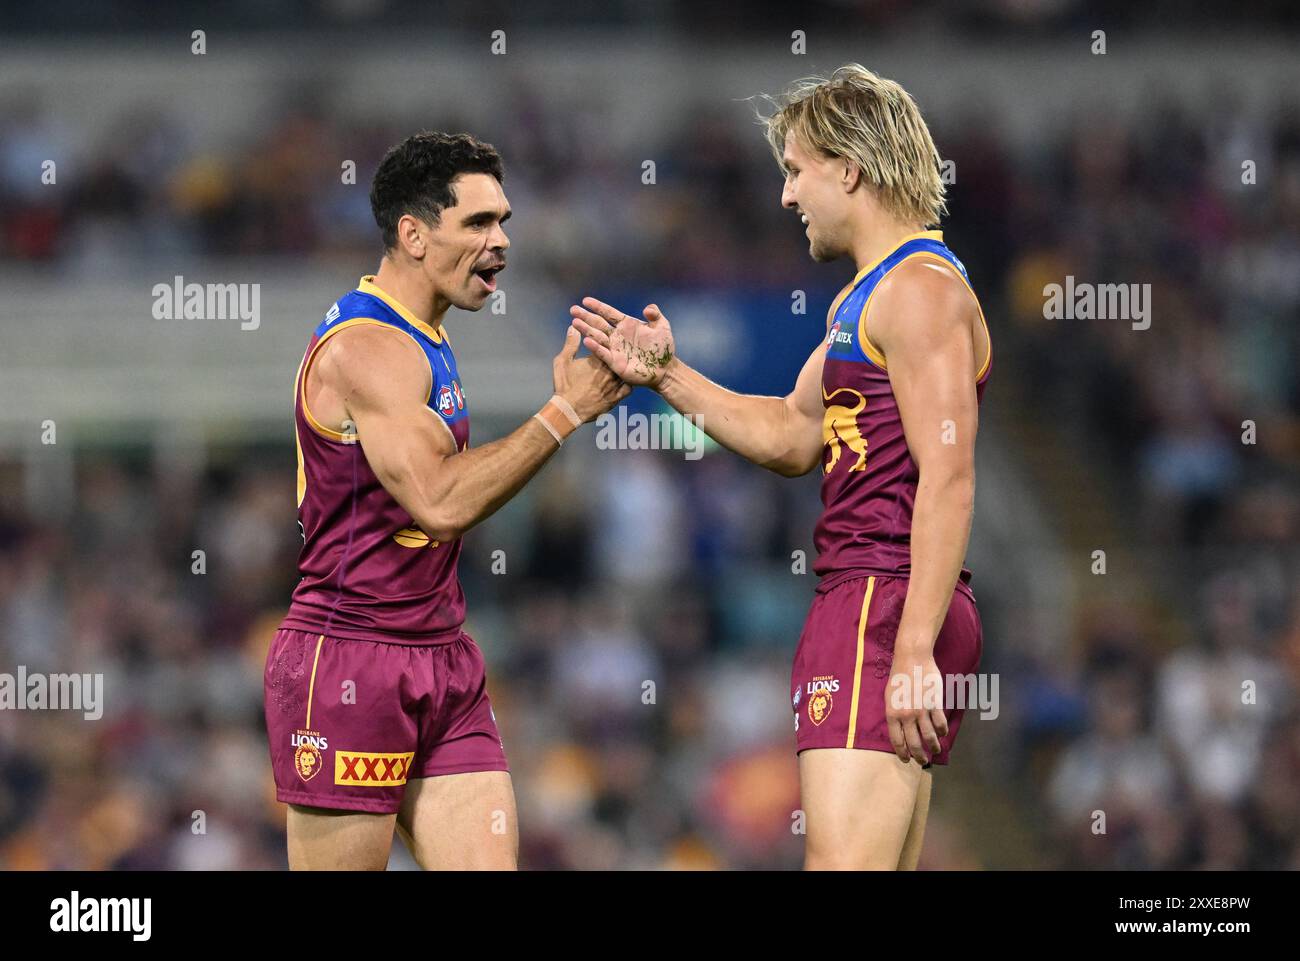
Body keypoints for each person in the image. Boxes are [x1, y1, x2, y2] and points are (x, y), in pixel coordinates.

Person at [571, 65, 991, 870]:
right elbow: (794, 434)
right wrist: (665, 374)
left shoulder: (920, 292)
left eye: (796, 171)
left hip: (882, 596)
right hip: (870, 598)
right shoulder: (863, 301)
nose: (788, 196)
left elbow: (951, 475)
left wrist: (909, 649)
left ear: (849, 167)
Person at [265, 131, 628, 870]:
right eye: (477, 224)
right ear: (413, 234)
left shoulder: (424, 333)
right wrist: (564, 412)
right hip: (349, 661)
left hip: (443, 656)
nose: (499, 243)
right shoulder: (369, 349)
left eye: (503, 223)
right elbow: (437, 500)